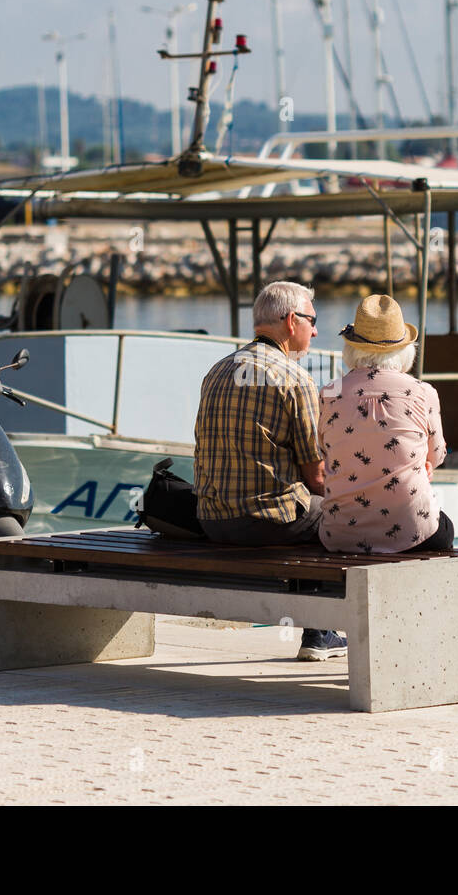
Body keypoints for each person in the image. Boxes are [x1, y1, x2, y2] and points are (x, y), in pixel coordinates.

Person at [192, 280, 347, 661]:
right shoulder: (295, 379)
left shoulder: (217, 371)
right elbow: (318, 477)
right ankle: (320, 632)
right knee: (336, 517)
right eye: (312, 320)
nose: (315, 330)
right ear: (291, 321)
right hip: (266, 521)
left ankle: (318, 628)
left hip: (212, 519)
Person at [317, 294, 453, 554]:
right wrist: (421, 465)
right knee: (444, 529)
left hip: (340, 533)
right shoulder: (422, 392)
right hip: (413, 529)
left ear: (351, 348)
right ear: (404, 350)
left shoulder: (329, 392)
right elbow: (436, 456)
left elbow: (325, 449)